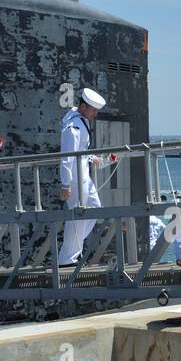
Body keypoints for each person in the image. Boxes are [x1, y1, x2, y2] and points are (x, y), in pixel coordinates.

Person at [58, 88, 106, 267]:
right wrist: (65, 184)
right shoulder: (74, 126)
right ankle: (67, 258)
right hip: (76, 179)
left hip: (84, 176)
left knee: (94, 208)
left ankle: (73, 248)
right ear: (84, 106)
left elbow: (80, 151)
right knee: (78, 215)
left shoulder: (81, 122)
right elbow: (67, 156)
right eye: (93, 110)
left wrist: (90, 157)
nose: (95, 114)